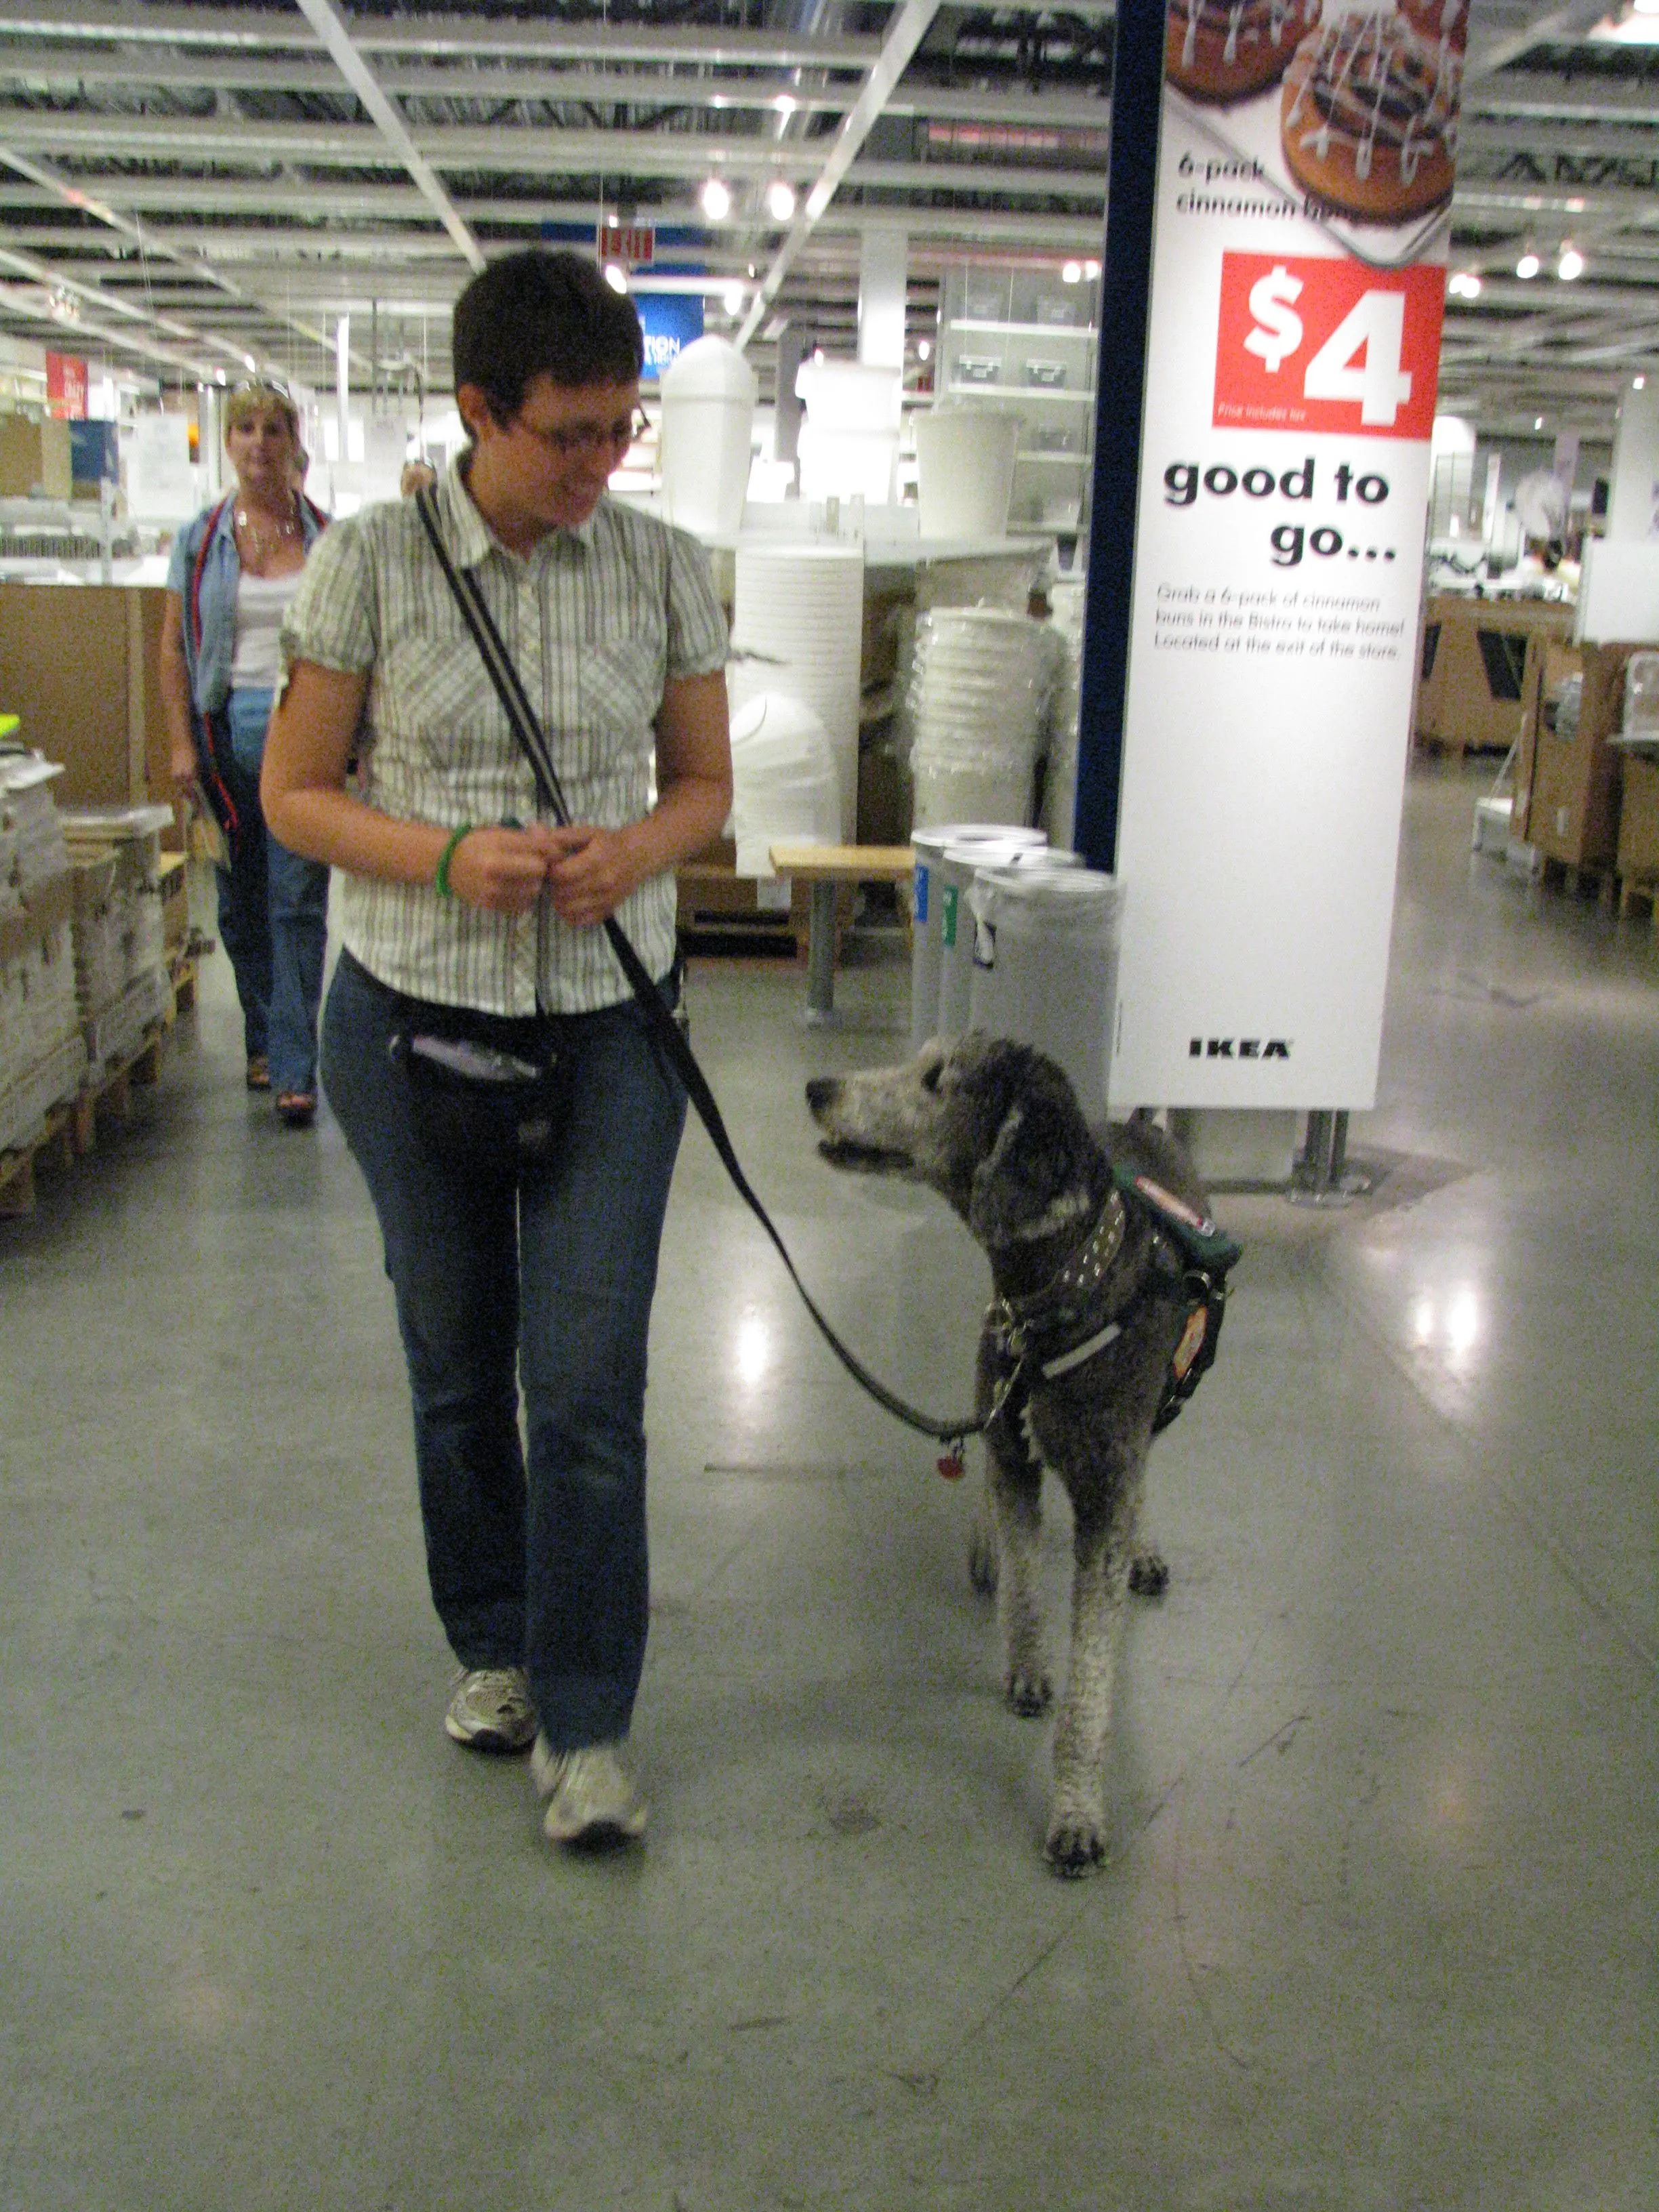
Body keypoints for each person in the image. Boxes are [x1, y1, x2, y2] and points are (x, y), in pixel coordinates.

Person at [261, 249, 732, 1851]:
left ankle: (591, 1724)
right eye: (570, 433)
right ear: (478, 409)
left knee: (586, 1383)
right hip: (410, 1019)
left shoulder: (663, 565)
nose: (603, 464)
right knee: (457, 1366)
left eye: (623, 428)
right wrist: (450, 859)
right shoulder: (375, 568)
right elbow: (295, 796)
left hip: (609, 1028)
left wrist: (640, 852)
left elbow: (702, 790)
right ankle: (494, 1645)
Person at [161, 382, 331, 1125]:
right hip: (223, 732)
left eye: (273, 428)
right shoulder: (199, 542)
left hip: (305, 736)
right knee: (240, 905)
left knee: (297, 900)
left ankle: (296, 1066)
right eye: (245, 429)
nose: (259, 442)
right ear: (227, 443)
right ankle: (263, 1036)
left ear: (294, 441)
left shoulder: (329, 539)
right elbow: (171, 646)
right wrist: (178, 744)